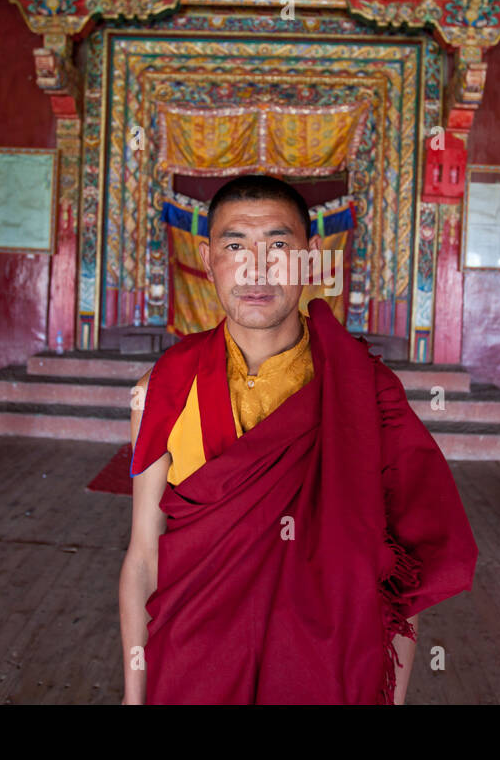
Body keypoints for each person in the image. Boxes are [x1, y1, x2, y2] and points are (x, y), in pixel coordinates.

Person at [118, 173, 477, 704]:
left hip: (324, 671)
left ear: (310, 256)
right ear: (207, 256)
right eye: (235, 245)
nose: (256, 268)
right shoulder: (162, 389)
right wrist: (133, 695)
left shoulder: (361, 388)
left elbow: (399, 570)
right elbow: (144, 555)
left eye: (278, 246)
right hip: (194, 664)